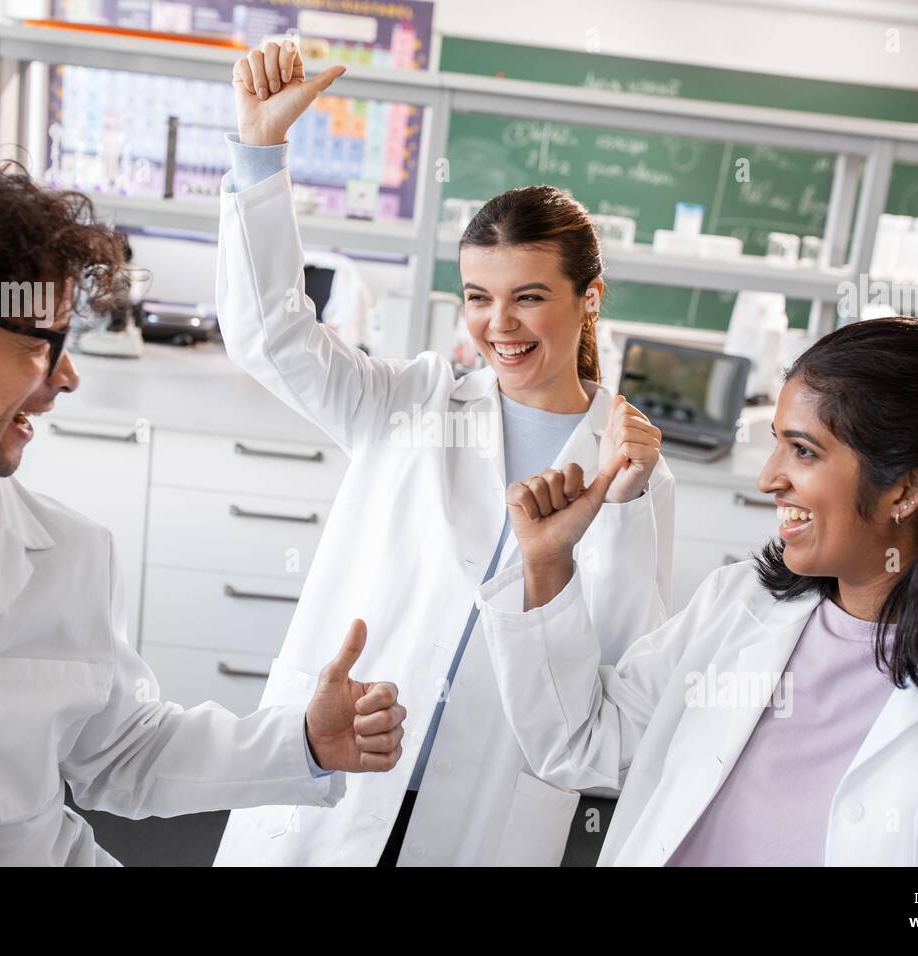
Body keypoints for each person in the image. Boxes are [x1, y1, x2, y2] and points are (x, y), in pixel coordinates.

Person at [0, 147, 405, 866]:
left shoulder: (66, 553)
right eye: (42, 344)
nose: (68, 376)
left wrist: (302, 741)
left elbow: (119, 750)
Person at [214, 41, 674, 866]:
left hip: (488, 804)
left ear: (589, 298)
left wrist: (629, 505)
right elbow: (268, 336)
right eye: (478, 297)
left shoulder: (630, 467)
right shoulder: (407, 403)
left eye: (529, 297)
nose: (500, 324)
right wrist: (259, 153)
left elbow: (623, 670)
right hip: (343, 769)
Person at [478, 318, 918, 866]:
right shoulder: (738, 606)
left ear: (905, 490)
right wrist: (549, 561)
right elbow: (584, 744)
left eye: (802, 450)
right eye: (776, 441)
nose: (770, 477)